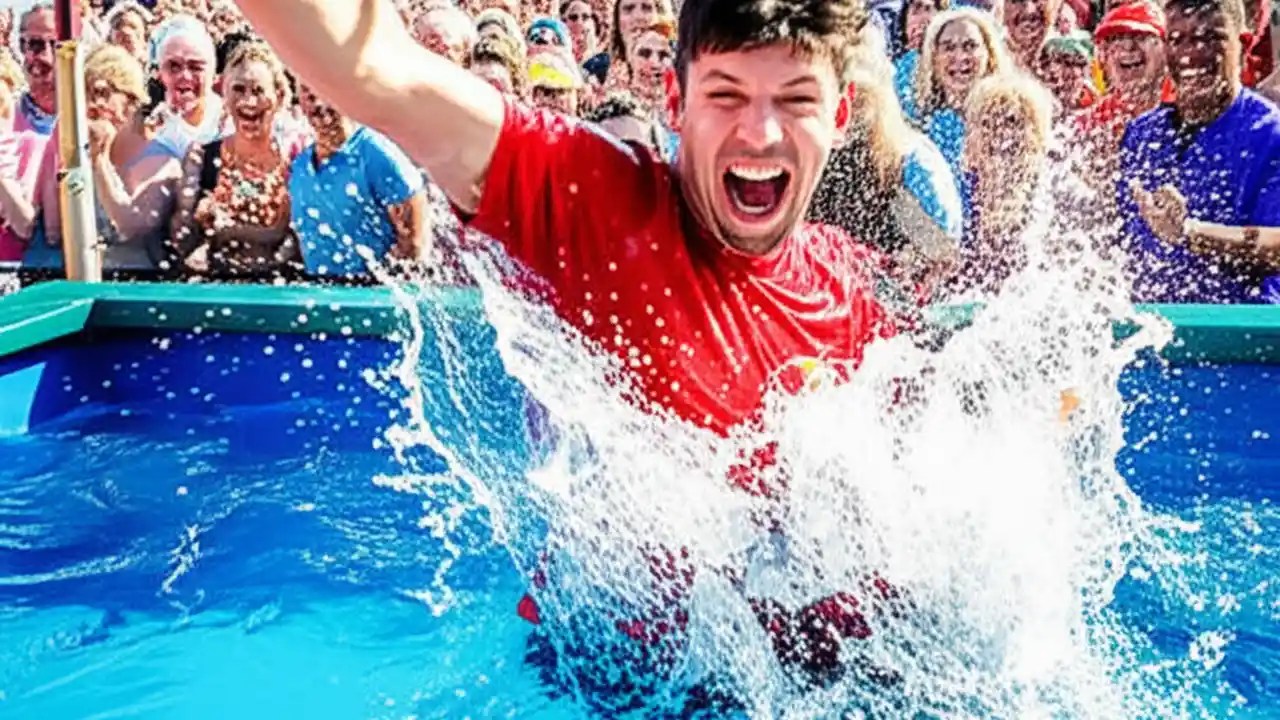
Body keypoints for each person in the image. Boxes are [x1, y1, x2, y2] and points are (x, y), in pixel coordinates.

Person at [239, 0, 897, 679]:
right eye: (726, 95)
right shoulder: (598, 203)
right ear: (674, 100)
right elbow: (370, 65)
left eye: (795, 99)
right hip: (613, 680)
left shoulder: (848, 288)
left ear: (840, 115)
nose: (760, 133)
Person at [1118, 0, 1280, 303]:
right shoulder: (1142, 135)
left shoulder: (1270, 134)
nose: (1191, 54)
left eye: (1210, 39)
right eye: (1178, 40)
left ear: (1243, 44)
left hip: (1242, 336)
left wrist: (1191, 233)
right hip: (1152, 334)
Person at [289, 82, 430, 277]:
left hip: (371, 296)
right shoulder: (300, 166)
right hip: (319, 295)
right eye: (307, 90)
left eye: (326, 89)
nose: (318, 101)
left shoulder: (376, 153)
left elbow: (414, 244)